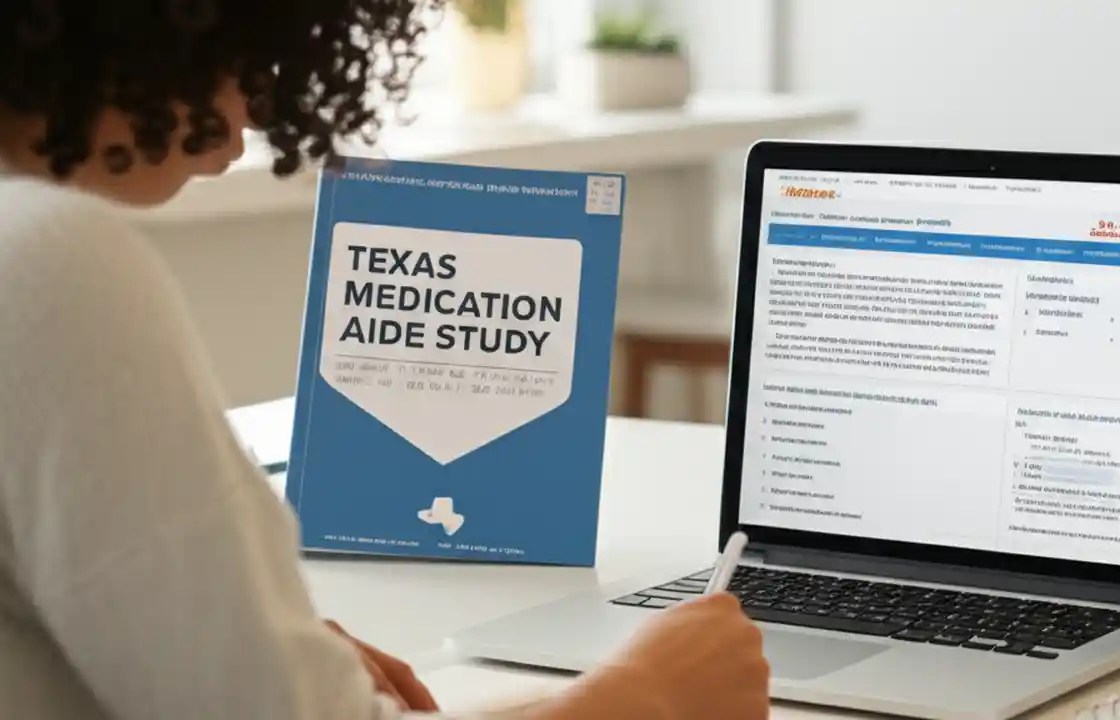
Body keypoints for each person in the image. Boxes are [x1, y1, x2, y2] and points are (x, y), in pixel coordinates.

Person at [0, 2, 770, 719]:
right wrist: (645, 696)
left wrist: (254, 648)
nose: (245, 123)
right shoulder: (49, 261)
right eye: (242, 66)